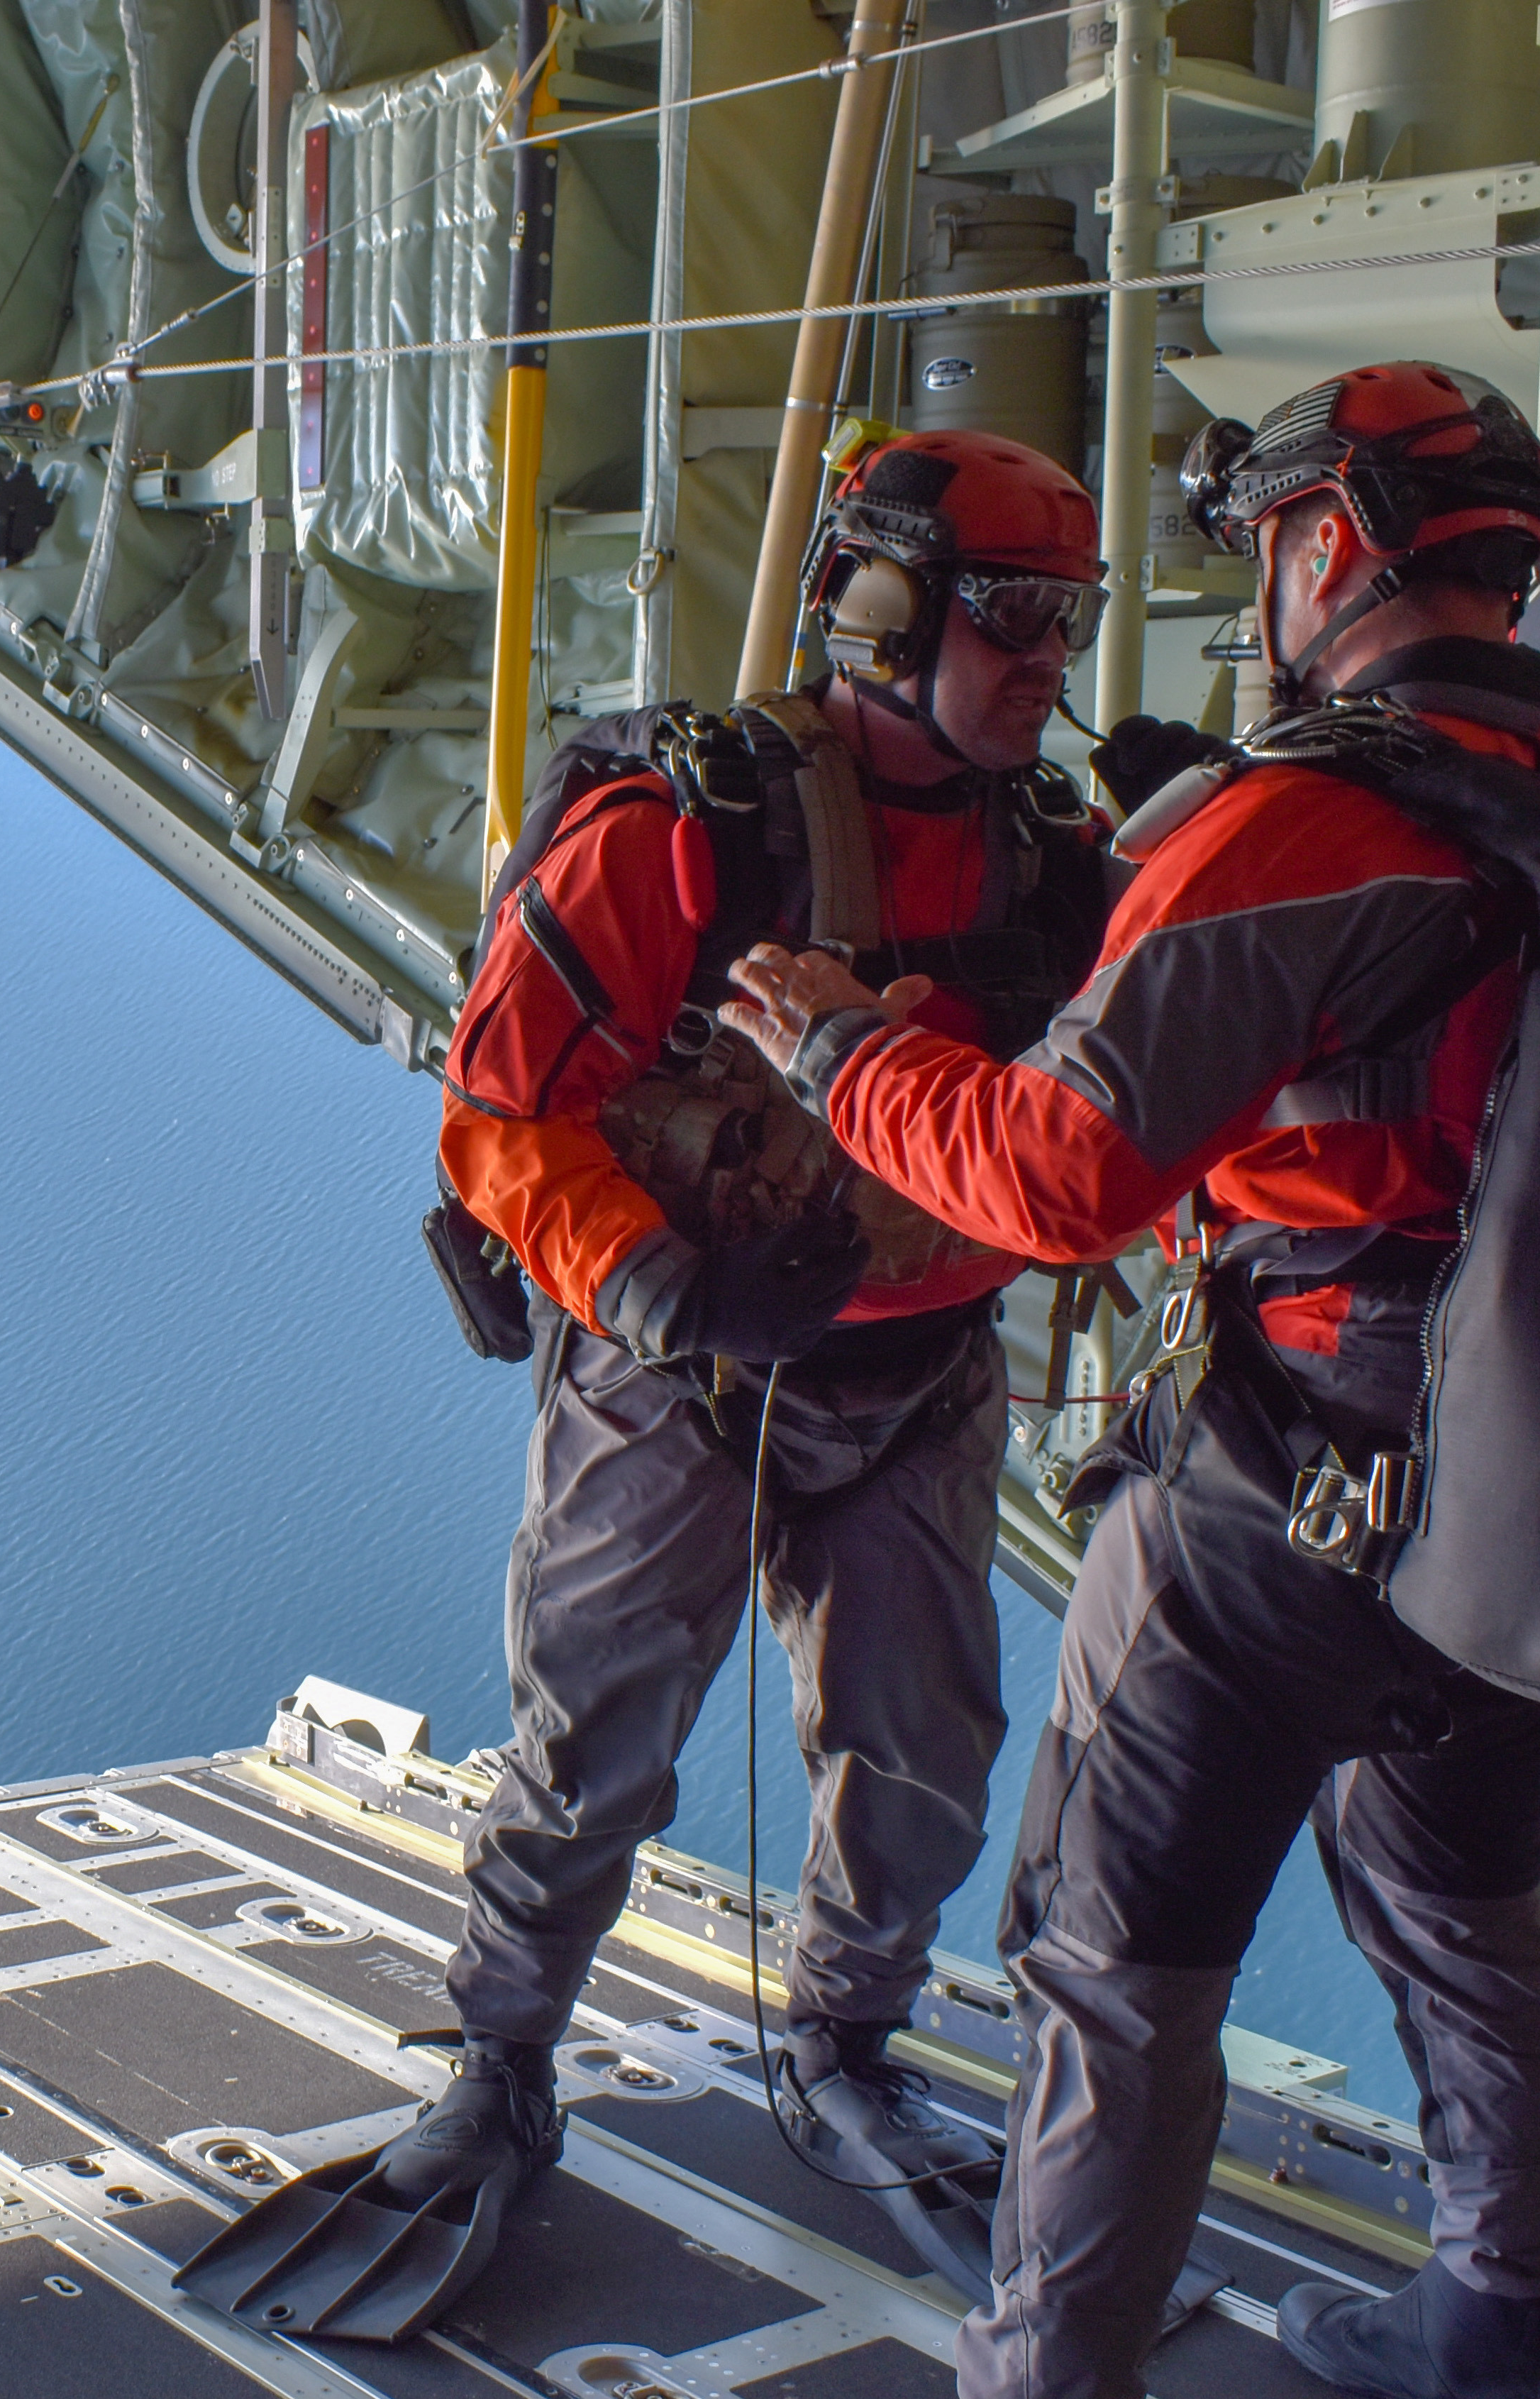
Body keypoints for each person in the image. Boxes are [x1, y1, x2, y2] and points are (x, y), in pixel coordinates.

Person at [717, 364, 1540, 2399]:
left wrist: (843, 1044)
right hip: (1536, 1488)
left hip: (1293, 1475)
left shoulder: (1311, 809)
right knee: (1457, 1891)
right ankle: (1494, 2334)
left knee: (1110, 1968)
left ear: (1325, 550)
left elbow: (1046, 1180)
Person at [397, 431, 1117, 2282]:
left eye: (1070, 618)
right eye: (1012, 615)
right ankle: (499, 2055)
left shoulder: (1053, 862)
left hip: (918, 1369)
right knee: (593, 1731)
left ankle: (846, 2036)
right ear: (880, 613)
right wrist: (667, 1295)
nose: (1049, 659)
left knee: (921, 1749)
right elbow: (494, 1120)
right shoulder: (683, 838)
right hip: (683, 1376)